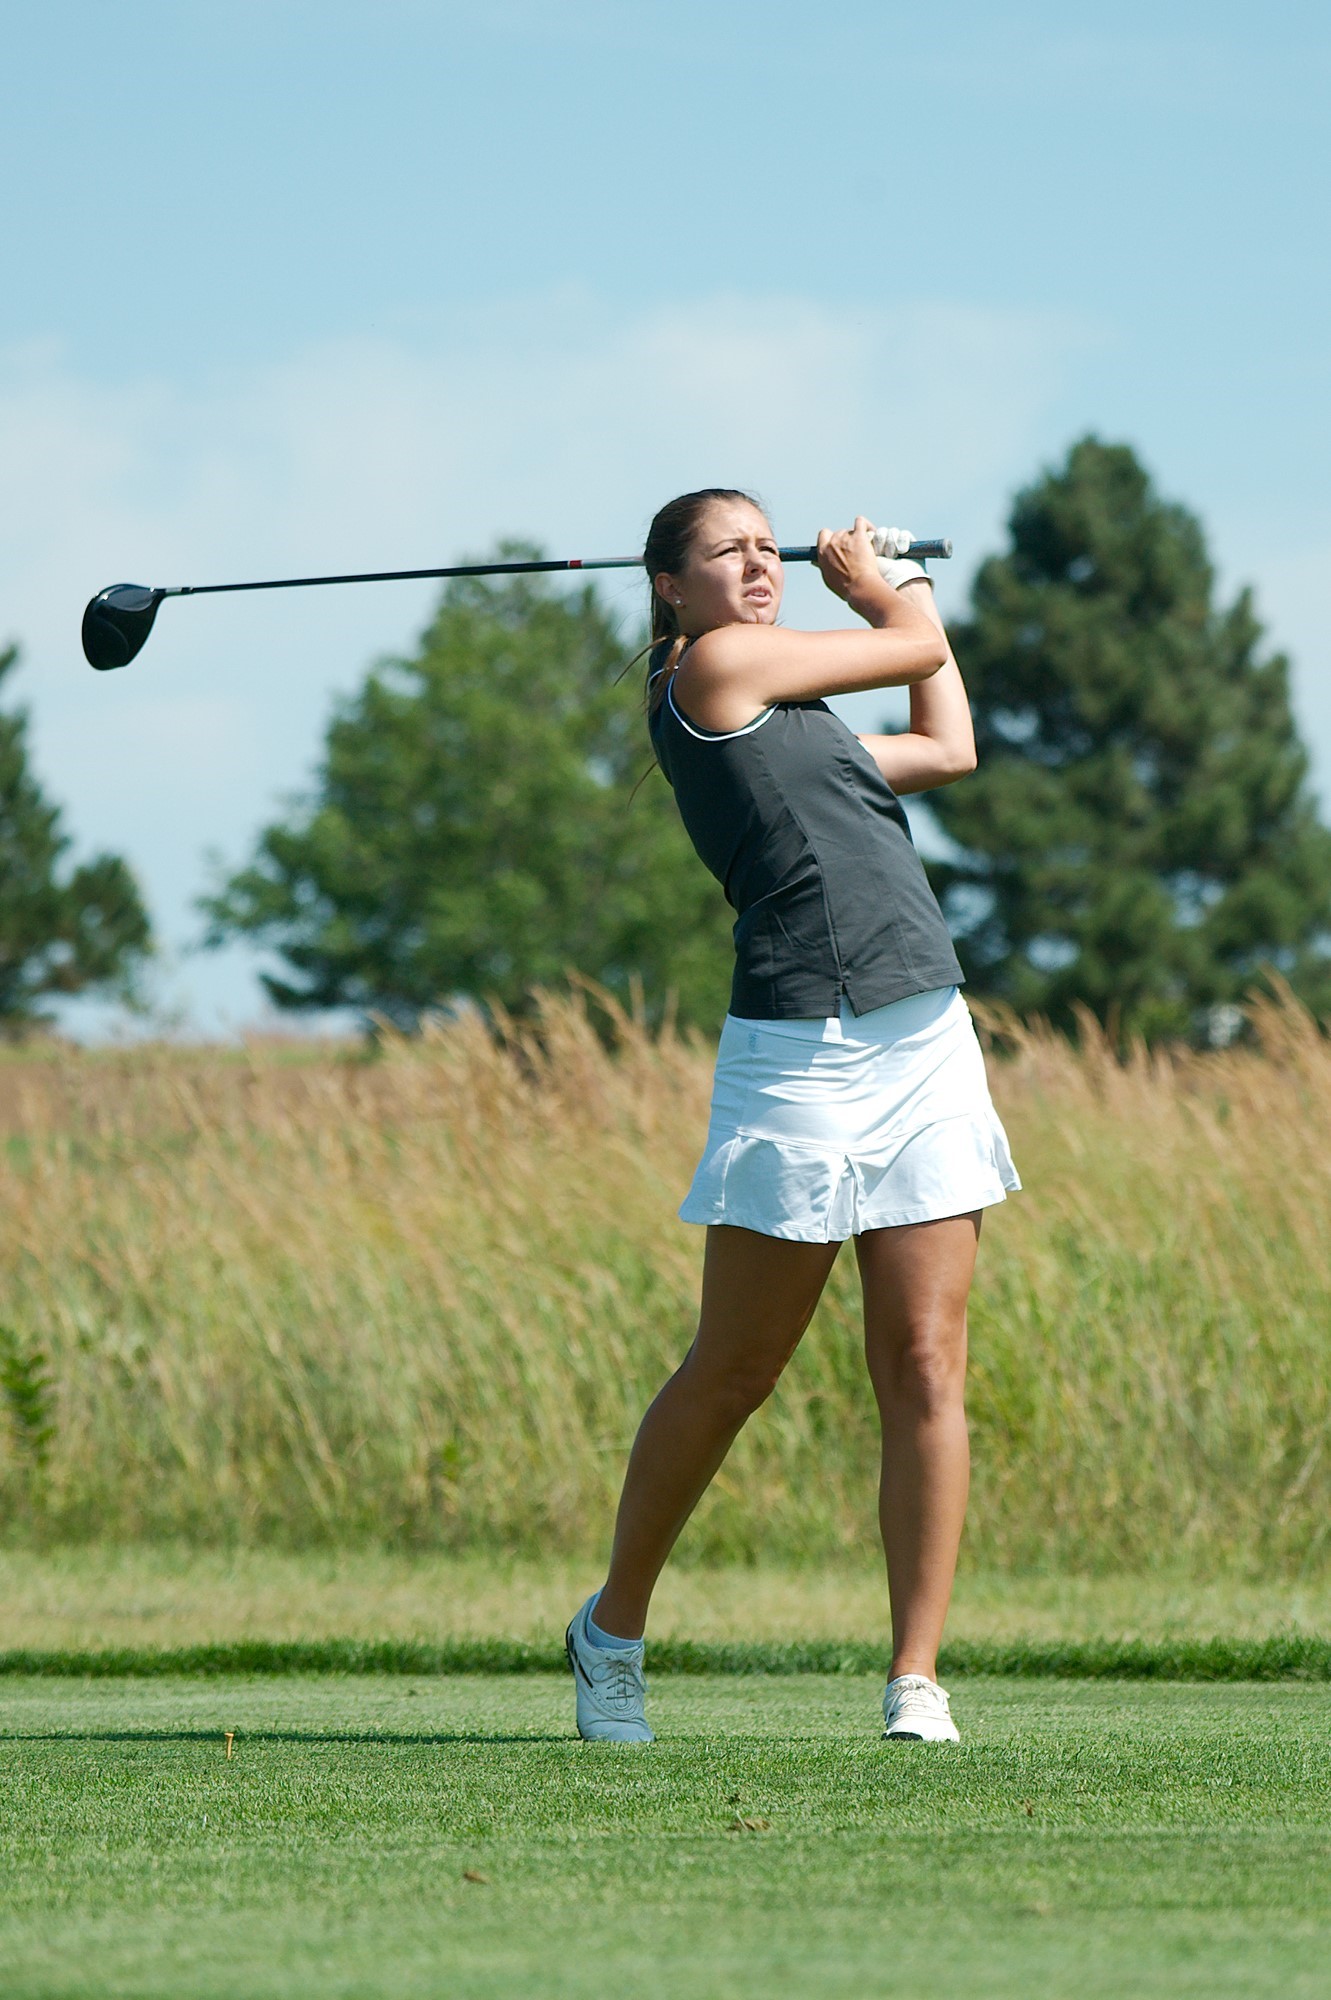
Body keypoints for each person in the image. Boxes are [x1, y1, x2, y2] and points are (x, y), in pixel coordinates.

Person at [566, 489, 1020, 1745]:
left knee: (923, 1361)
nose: (763, 564)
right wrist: (887, 578)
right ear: (670, 584)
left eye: (772, 546)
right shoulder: (709, 668)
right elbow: (915, 645)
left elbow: (945, 740)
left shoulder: (794, 714)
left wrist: (892, 597)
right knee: (736, 1367)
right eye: (732, 549)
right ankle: (610, 1629)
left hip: (920, 1037)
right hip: (797, 1056)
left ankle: (913, 1674)